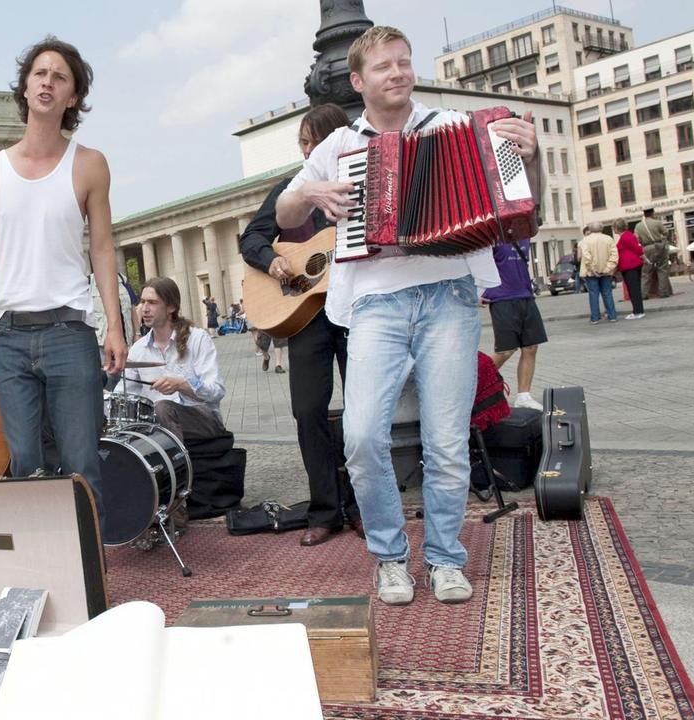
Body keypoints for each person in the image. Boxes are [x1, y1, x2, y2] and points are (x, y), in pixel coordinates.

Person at [275, 26, 541, 605]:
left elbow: (521, 206)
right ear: (357, 81)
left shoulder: (453, 128)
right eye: (383, 67)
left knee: (447, 442)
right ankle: (389, 557)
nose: (397, 73)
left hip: (448, 294)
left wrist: (526, 155)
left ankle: (446, 558)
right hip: (374, 304)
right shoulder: (338, 146)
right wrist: (316, 192)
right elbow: (284, 208)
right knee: (363, 436)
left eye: (404, 62)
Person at [0, 36, 126, 516]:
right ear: (26, 85)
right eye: (40, 73)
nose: (47, 82)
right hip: (9, 335)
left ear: (72, 97)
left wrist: (113, 325)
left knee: (80, 466)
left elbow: (102, 247)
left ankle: (88, 580)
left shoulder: (90, 164)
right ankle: (39, 577)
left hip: (70, 331)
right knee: (24, 465)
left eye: (59, 77)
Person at [238, 103, 359, 546]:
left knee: (364, 411)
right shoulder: (290, 188)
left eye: (311, 142)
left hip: (356, 310)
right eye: (301, 144)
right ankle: (325, 510)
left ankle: (364, 506)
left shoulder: (361, 179)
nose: (305, 151)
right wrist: (272, 262)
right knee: (307, 411)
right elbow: (251, 237)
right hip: (307, 316)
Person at [123, 277, 227, 444]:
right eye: (142, 302)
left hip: (203, 420)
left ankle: (176, 466)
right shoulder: (138, 349)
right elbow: (125, 394)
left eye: (152, 302)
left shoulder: (198, 338)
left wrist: (182, 385)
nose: (145, 309)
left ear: (171, 306)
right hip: (157, 423)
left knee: (164, 408)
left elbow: (216, 391)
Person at [482, 239, 548, 410]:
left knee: (531, 347)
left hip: (526, 296)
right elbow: (478, 264)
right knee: (505, 351)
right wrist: (478, 292)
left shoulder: (525, 236)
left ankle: (524, 396)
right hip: (501, 298)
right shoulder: (492, 237)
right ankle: (475, 384)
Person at [579, 222, 620, 324]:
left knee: (593, 294)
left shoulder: (585, 240)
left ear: (590, 229)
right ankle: (612, 315)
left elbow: (586, 257)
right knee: (607, 293)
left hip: (591, 273)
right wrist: (607, 269)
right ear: (602, 228)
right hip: (606, 272)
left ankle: (595, 317)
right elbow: (614, 256)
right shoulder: (609, 239)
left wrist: (593, 269)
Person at [636, 208, 673, 299]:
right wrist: (662, 240)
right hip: (658, 246)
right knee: (662, 269)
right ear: (652, 213)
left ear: (644, 214)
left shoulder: (638, 226)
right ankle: (663, 292)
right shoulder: (657, 223)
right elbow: (666, 233)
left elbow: (637, 238)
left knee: (646, 272)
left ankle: (643, 294)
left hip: (646, 248)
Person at [615, 219, 645, 319]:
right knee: (633, 288)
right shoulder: (627, 236)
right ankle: (637, 310)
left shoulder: (625, 236)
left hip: (630, 265)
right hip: (631, 265)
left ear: (616, 228)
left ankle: (638, 311)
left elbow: (637, 248)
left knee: (634, 289)